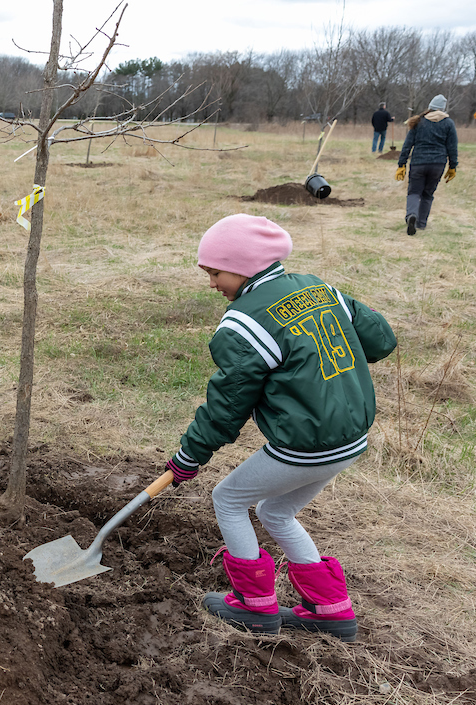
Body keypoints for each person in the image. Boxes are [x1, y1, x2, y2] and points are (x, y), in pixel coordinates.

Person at [165, 214, 397, 643]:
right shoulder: (319, 288)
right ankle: (330, 608)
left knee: (229, 499)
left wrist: (188, 458)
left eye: (215, 272)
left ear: (242, 266)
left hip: (306, 444)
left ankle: (252, 605)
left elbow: (226, 407)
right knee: (275, 510)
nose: (212, 283)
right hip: (351, 439)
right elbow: (381, 341)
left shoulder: (242, 324)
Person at [396, 94, 458, 235]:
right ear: (442, 109)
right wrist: (453, 166)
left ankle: (411, 215)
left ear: (430, 107)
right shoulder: (448, 123)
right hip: (438, 164)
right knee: (428, 194)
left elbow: (407, 145)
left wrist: (402, 164)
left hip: (418, 163)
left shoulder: (419, 121)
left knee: (414, 192)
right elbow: (452, 147)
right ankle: (421, 223)